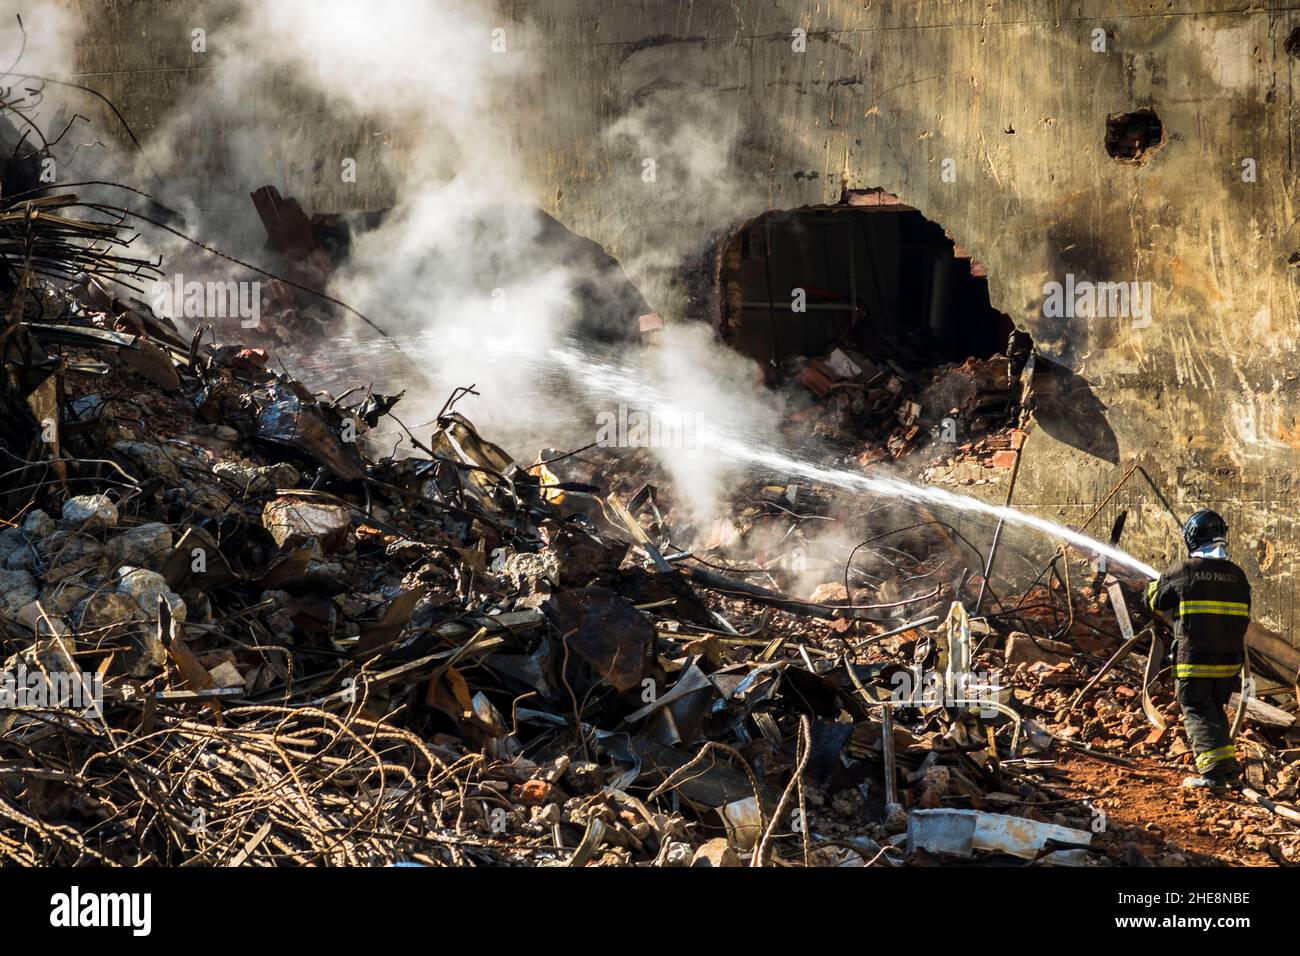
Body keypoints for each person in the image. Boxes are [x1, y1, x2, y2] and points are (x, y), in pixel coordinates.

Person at [1144, 509, 1251, 791]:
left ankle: (1213, 774)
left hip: (1195, 660)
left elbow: (1154, 600)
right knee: (1213, 708)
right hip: (1229, 664)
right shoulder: (1237, 575)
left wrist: (1155, 583)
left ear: (1192, 537)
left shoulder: (1185, 571)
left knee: (1195, 708)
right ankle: (1228, 769)